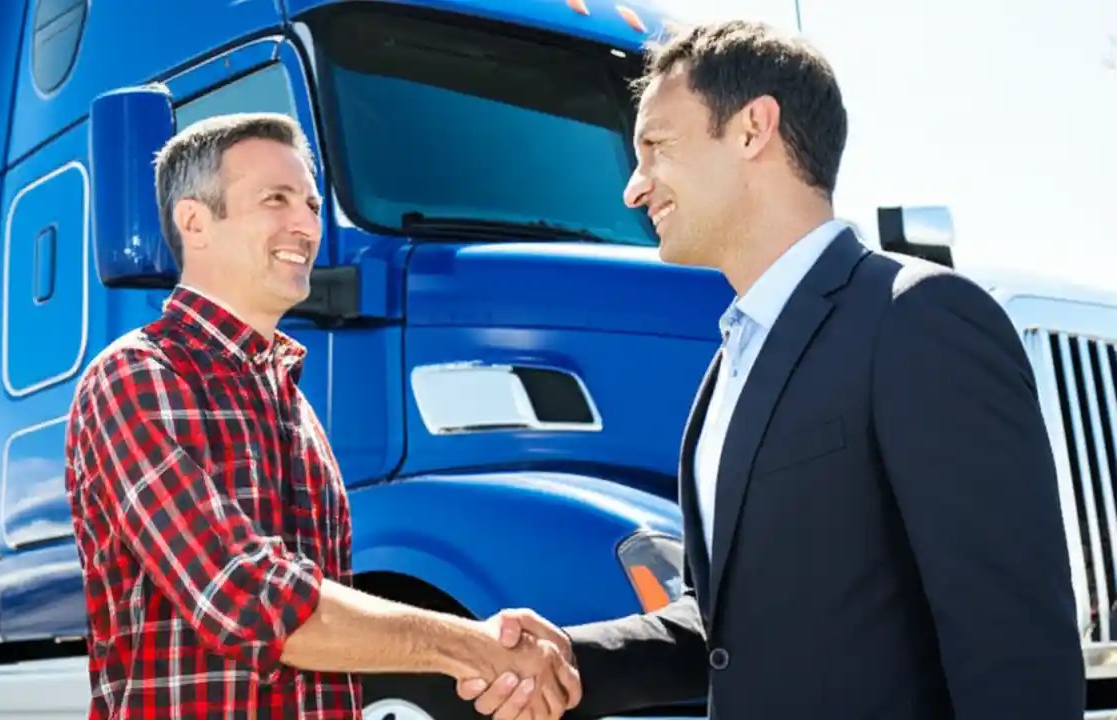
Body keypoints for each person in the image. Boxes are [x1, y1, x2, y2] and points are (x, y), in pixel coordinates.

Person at [458, 19, 1086, 719]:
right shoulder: (730, 364)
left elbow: (1014, 646)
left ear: (754, 128)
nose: (634, 189)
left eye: (655, 147)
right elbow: (727, 630)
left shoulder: (919, 319)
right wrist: (571, 661)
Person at [63, 111, 580, 719]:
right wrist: (473, 646)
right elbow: (246, 595)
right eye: (275, 199)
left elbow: (328, 647)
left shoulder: (294, 405)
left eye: (310, 203)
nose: (306, 224)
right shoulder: (138, 378)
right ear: (194, 221)